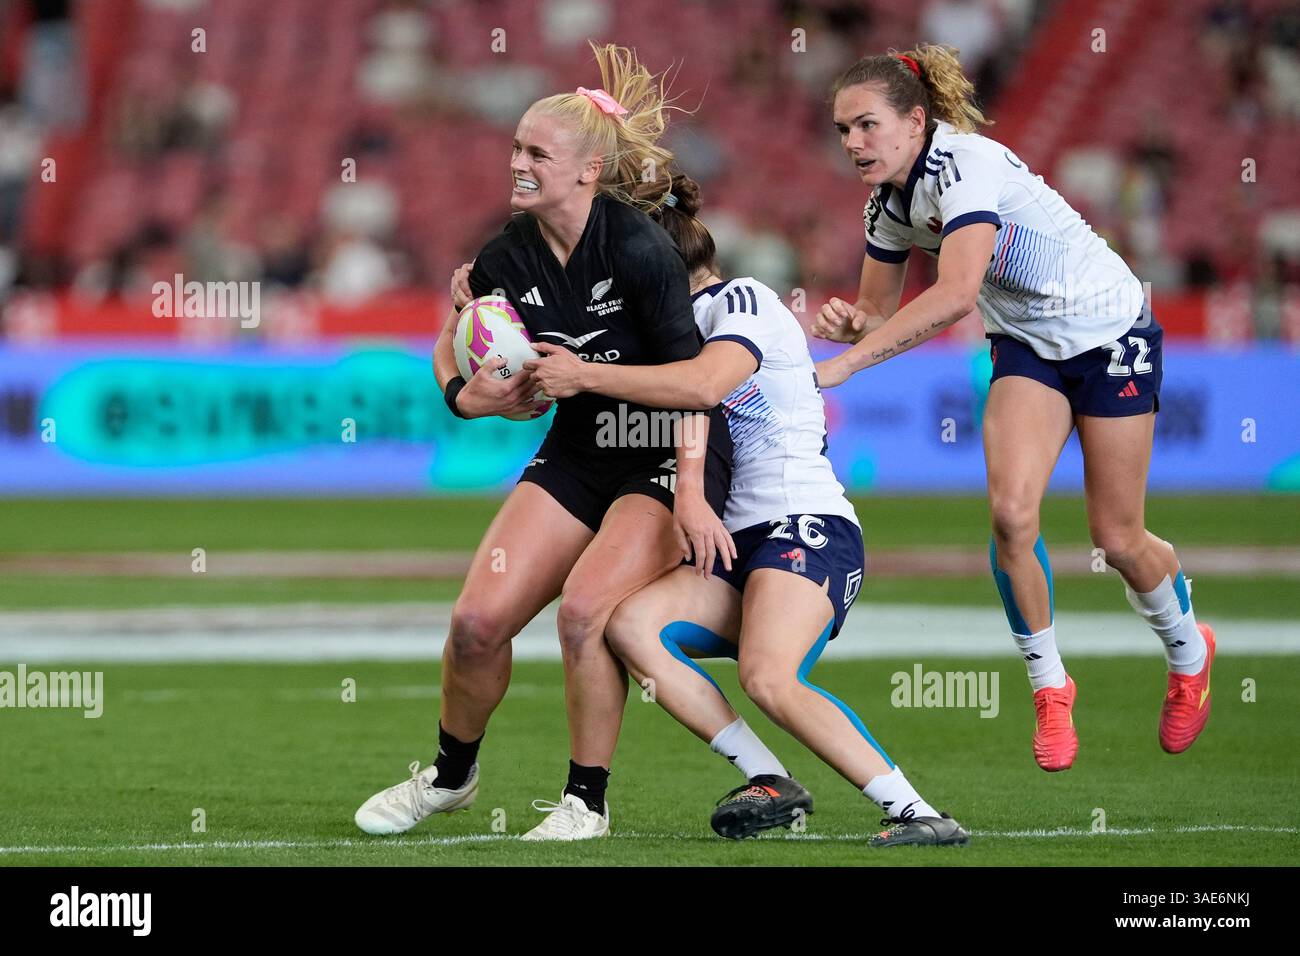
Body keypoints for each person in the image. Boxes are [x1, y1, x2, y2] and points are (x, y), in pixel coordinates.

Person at [354, 43, 735, 841]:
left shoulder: (640, 250)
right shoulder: (506, 252)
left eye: (536, 153)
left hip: (667, 453)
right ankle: (451, 777)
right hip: (580, 452)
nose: (517, 164)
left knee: (584, 611)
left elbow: (696, 387)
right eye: (515, 149)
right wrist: (468, 397)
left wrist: (693, 492)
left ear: (589, 170)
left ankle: (585, 805)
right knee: (476, 624)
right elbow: (459, 337)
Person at [525, 173, 970, 847]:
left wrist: (590, 379)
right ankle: (770, 778)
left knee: (768, 675)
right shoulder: (676, 330)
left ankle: (917, 813)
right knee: (630, 624)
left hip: (805, 528)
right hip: (741, 544)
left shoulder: (742, 299)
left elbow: (703, 388)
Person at [811, 45, 1215, 771]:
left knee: (1117, 538)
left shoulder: (967, 165)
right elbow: (879, 309)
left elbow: (958, 294)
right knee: (1010, 515)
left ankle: (1190, 651)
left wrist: (845, 362)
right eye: (843, 130)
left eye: (866, 126)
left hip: (1109, 334)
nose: (852, 144)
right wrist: (856, 325)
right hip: (1029, 346)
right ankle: (1050, 688)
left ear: (914, 120)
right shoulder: (889, 202)